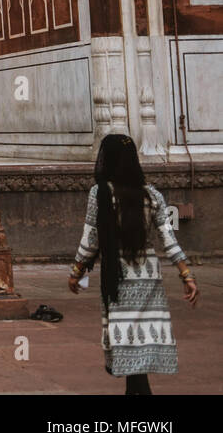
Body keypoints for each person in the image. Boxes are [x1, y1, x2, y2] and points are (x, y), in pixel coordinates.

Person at [68, 133, 199, 394]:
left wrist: (77, 270)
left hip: (118, 276)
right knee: (140, 339)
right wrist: (186, 274)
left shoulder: (100, 193)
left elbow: (91, 237)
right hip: (148, 274)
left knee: (128, 339)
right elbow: (167, 238)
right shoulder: (151, 195)